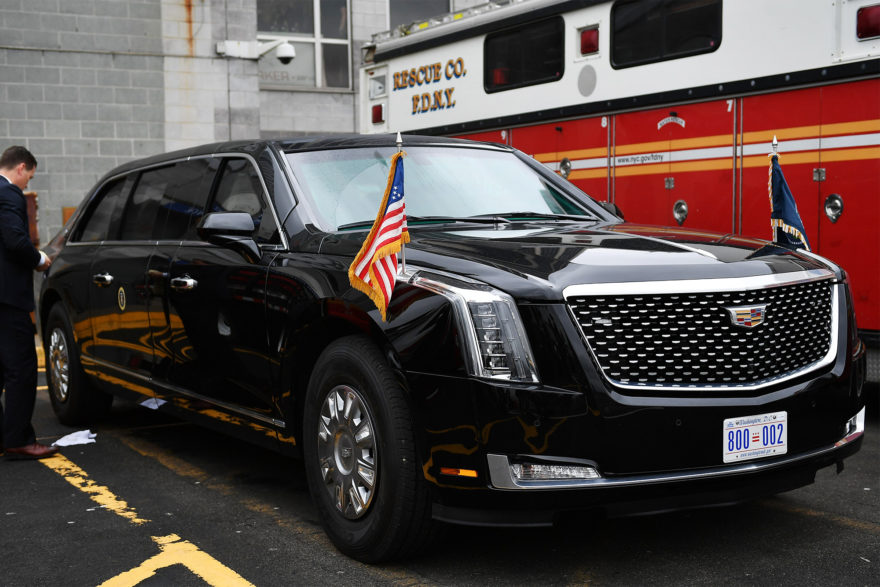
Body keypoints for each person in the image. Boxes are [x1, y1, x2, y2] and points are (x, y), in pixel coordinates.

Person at [0, 145, 58, 460]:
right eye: (29, 177)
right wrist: (39, 259)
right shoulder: (9, 195)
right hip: (9, 298)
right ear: (21, 167)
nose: (27, 185)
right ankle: (19, 440)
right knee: (22, 369)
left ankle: (4, 436)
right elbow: (15, 240)